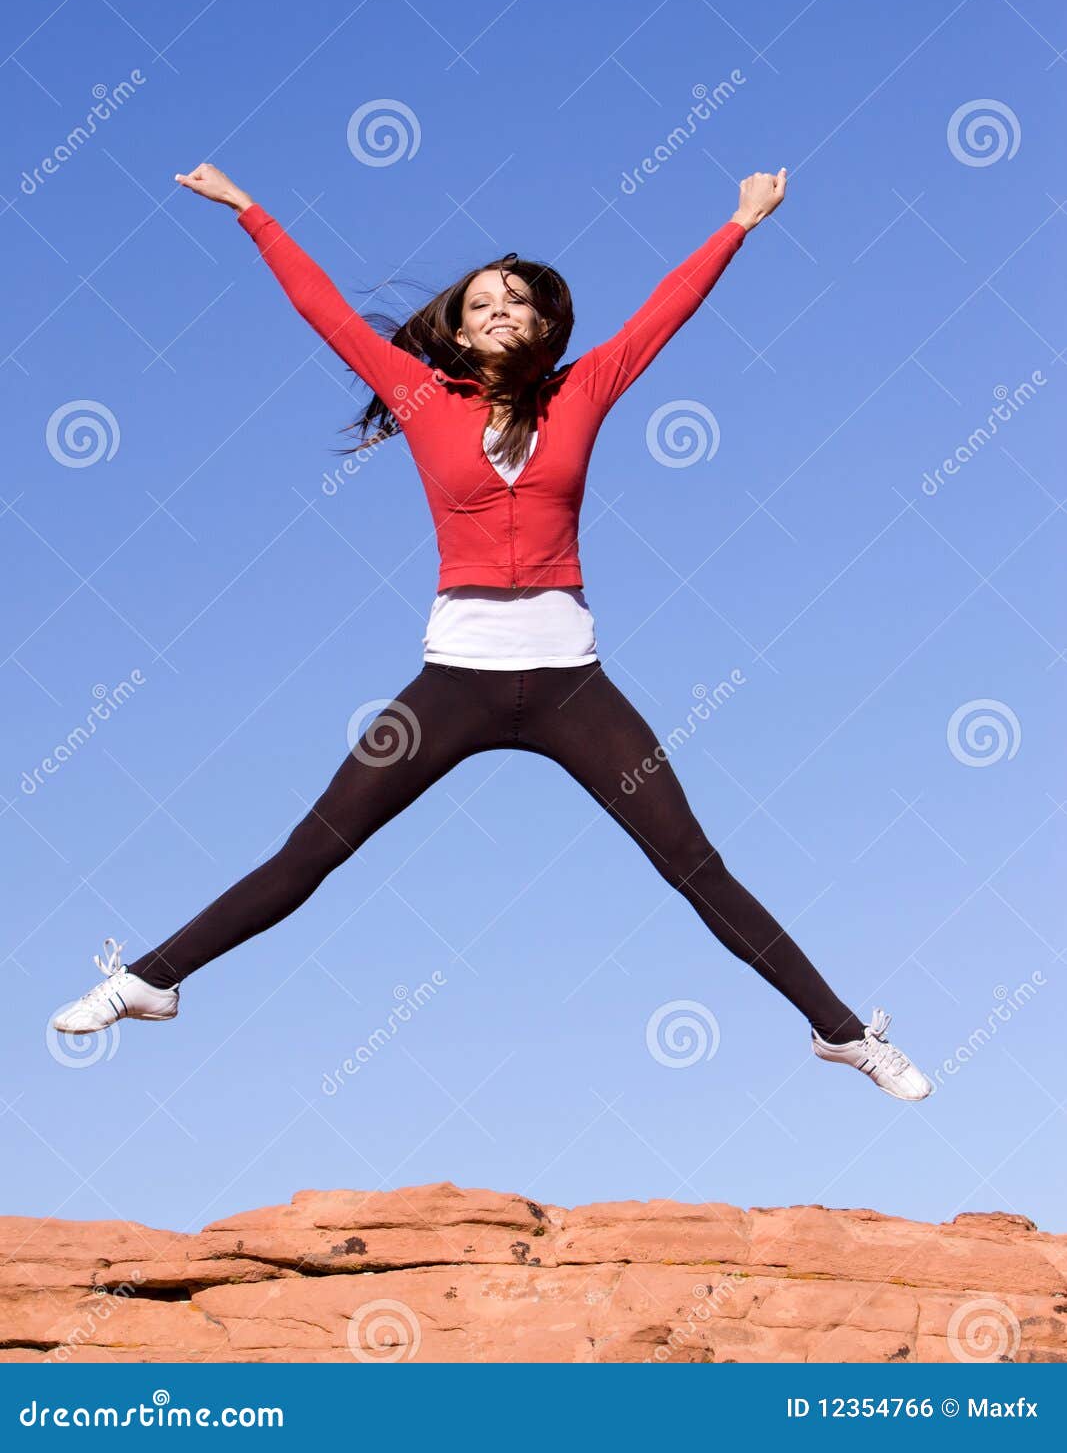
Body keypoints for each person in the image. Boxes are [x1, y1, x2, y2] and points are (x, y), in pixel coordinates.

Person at [52, 162, 932, 1103]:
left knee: (693, 863)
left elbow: (664, 313)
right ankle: (149, 980)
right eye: (482, 302)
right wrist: (250, 212)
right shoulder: (420, 396)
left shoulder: (585, 389)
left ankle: (842, 1034)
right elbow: (328, 315)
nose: (501, 309)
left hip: (569, 682)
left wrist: (739, 222)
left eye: (518, 299)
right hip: (454, 682)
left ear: (544, 324)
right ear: (460, 329)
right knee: (312, 849)